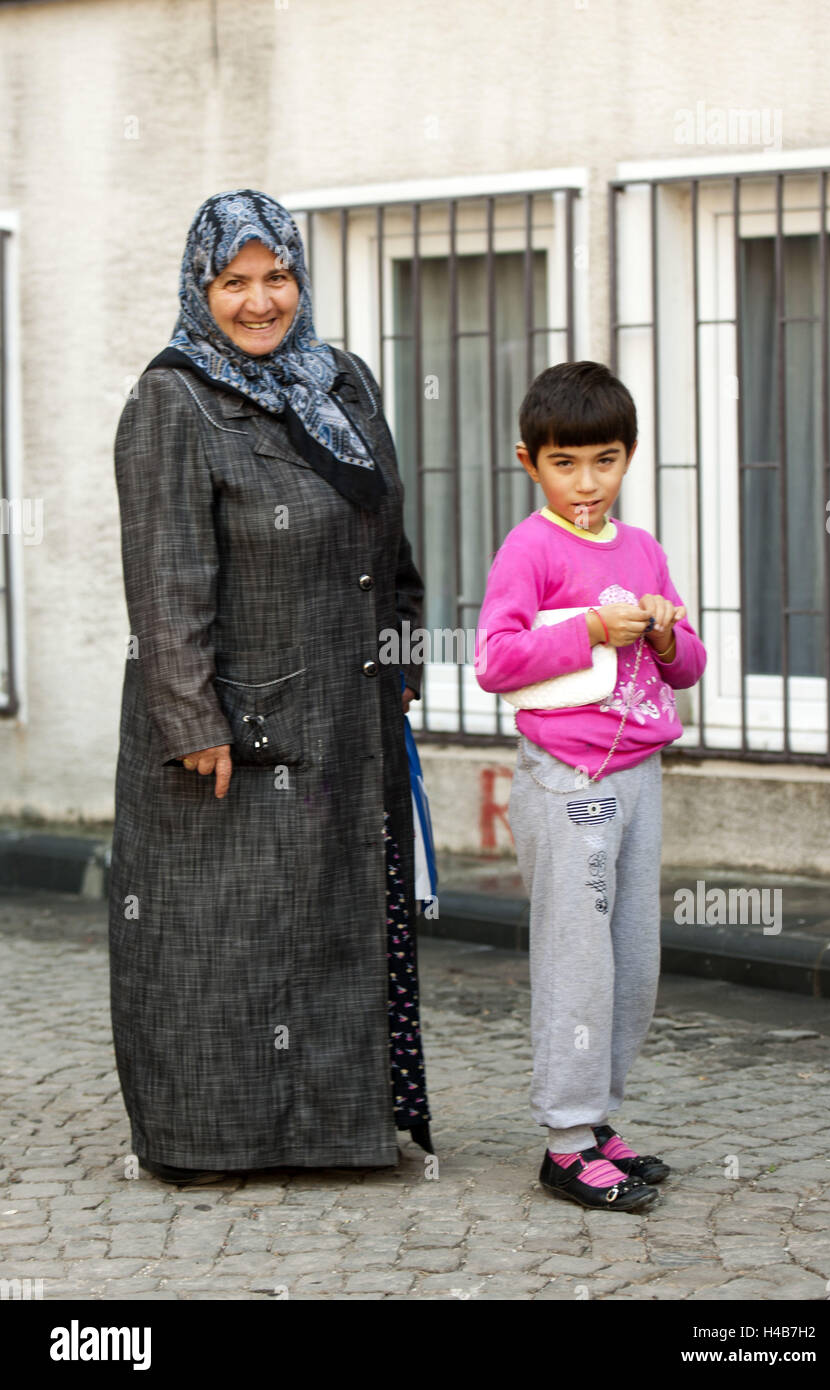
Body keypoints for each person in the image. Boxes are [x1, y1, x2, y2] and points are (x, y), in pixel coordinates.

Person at [110, 189, 432, 1184]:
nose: (259, 301)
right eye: (234, 281)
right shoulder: (173, 397)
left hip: (346, 710)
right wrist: (189, 715)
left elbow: (387, 534)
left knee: (333, 927)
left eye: (276, 275)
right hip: (236, 727)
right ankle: (213, 1137)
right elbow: (165, 578)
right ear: (201, 290)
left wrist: (403, 654)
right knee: (225, 939)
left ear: (301, 276)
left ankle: (340, 1131)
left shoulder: (344, 382)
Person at [474, 361, 707, 1212]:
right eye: (565, 463)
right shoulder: (529, 547)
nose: (586, 482)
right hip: (569, 781)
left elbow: (687, 667)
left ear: (629, 456)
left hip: (639, 772)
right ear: (529, 462)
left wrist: (667, 633)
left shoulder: (643, 548)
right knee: (577, 960)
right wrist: (590, 631)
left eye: (603, 461)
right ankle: (564, 1142)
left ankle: (599, 1118)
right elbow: (494, 661)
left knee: (630, 960)